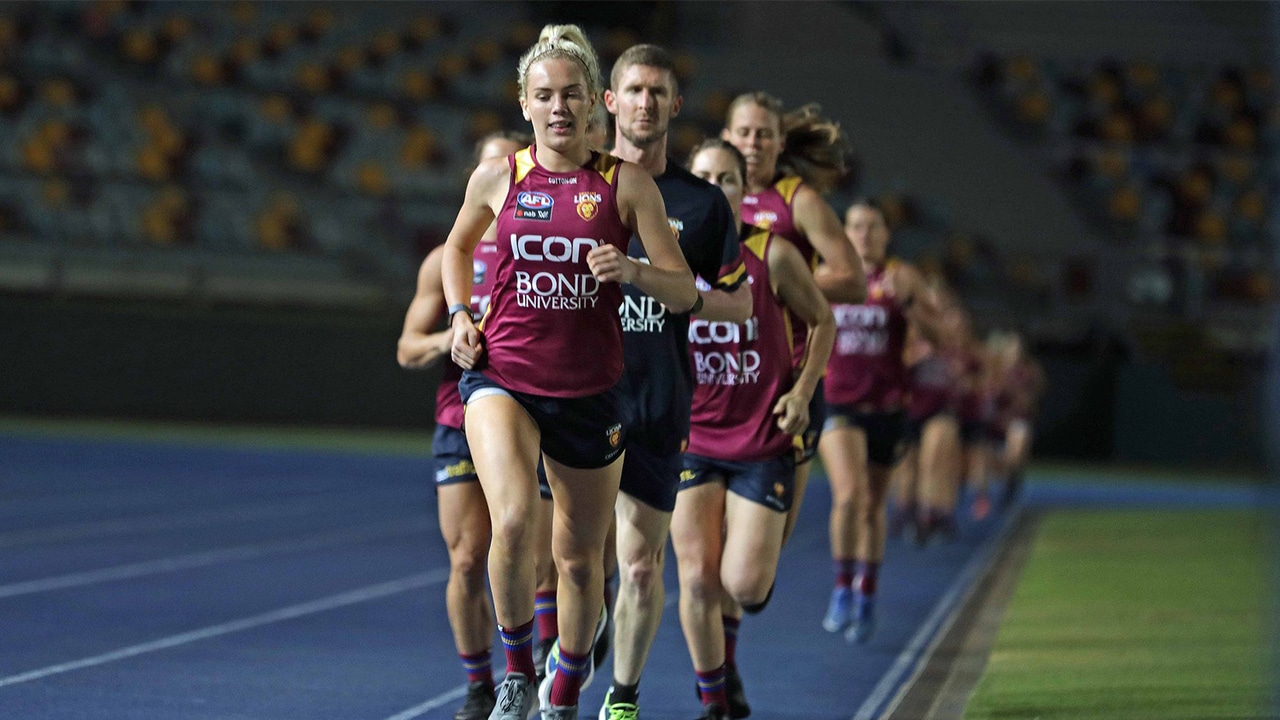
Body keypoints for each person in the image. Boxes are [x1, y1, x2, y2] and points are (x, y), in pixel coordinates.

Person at [441, 24, 697, 720]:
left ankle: (565, 686)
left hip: (588, 393)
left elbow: (685, 292)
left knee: (581, 561)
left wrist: (635, 269)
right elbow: (456, 247)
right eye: (544, 95)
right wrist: (461, 314)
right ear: (524, 104)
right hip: (502, 378)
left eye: (571, 95)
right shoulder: (499, 176)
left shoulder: (627, 185)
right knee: (515, 518)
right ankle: (519, 672)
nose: (558, 108)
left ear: (594, 105)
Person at [592, 44, 752, 720]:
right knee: (564, 558)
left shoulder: (705, 204)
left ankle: (621, 698)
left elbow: (740, 303)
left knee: (641, 565)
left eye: (659, 92)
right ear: (611, 101)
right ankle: (559, 656)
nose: (646, 102)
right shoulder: (577, 186)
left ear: (675, 105)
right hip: (576, 397)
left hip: (658, 401)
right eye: (634, 90)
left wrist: (681, 296)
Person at [671, 138, 834, 720]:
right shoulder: (669, 257)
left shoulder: (775, 254)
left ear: (746, 193)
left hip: (762, 439)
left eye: (728, 178)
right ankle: (715, 701)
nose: (716, 187)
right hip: (691, 441)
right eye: (704, 176)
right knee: (695, 579)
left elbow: (823, 321)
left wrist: (802, 391)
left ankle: (728, 658)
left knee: (743, 586)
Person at [397, 130, 531, 720]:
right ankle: (481, 683)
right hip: (459, 418)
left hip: (532, 416)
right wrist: (450, 335)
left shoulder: (544, 247)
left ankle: (542, 665)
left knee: (536, 550)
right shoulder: (445, 261)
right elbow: (406, 347)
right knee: (466, 558)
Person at [721, 92, 865, 548]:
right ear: (727, 137)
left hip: (787, 379)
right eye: (743, 132)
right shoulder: (707, 192)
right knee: (708, 539)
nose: (753, 143)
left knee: (765, 545)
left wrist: (780, 284)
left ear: (781, 142)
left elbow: (853, 279)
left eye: (764, 134)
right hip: (719, 377)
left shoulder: (797, 201)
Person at [819, 199, 941, 644]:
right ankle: (840, 589)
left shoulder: (902, 276)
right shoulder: (829, 273)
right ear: (843, 231)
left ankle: (866, 593)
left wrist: (909, 303)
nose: (863, 235)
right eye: (854, 226)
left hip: (887, 405)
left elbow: (940, 336)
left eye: (872, 227)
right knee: (850, 495)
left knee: (873, 505)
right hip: (838, 402)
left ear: (887, 234)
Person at [988, 331, 1045, 509]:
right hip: (992, 424)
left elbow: (1034, 396)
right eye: (1011, 347)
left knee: (1018, 440)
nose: (1015, 351)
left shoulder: (1029, 371)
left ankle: (1011, 484)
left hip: (1016, 422)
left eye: (1018, 348)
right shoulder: (993, 369)